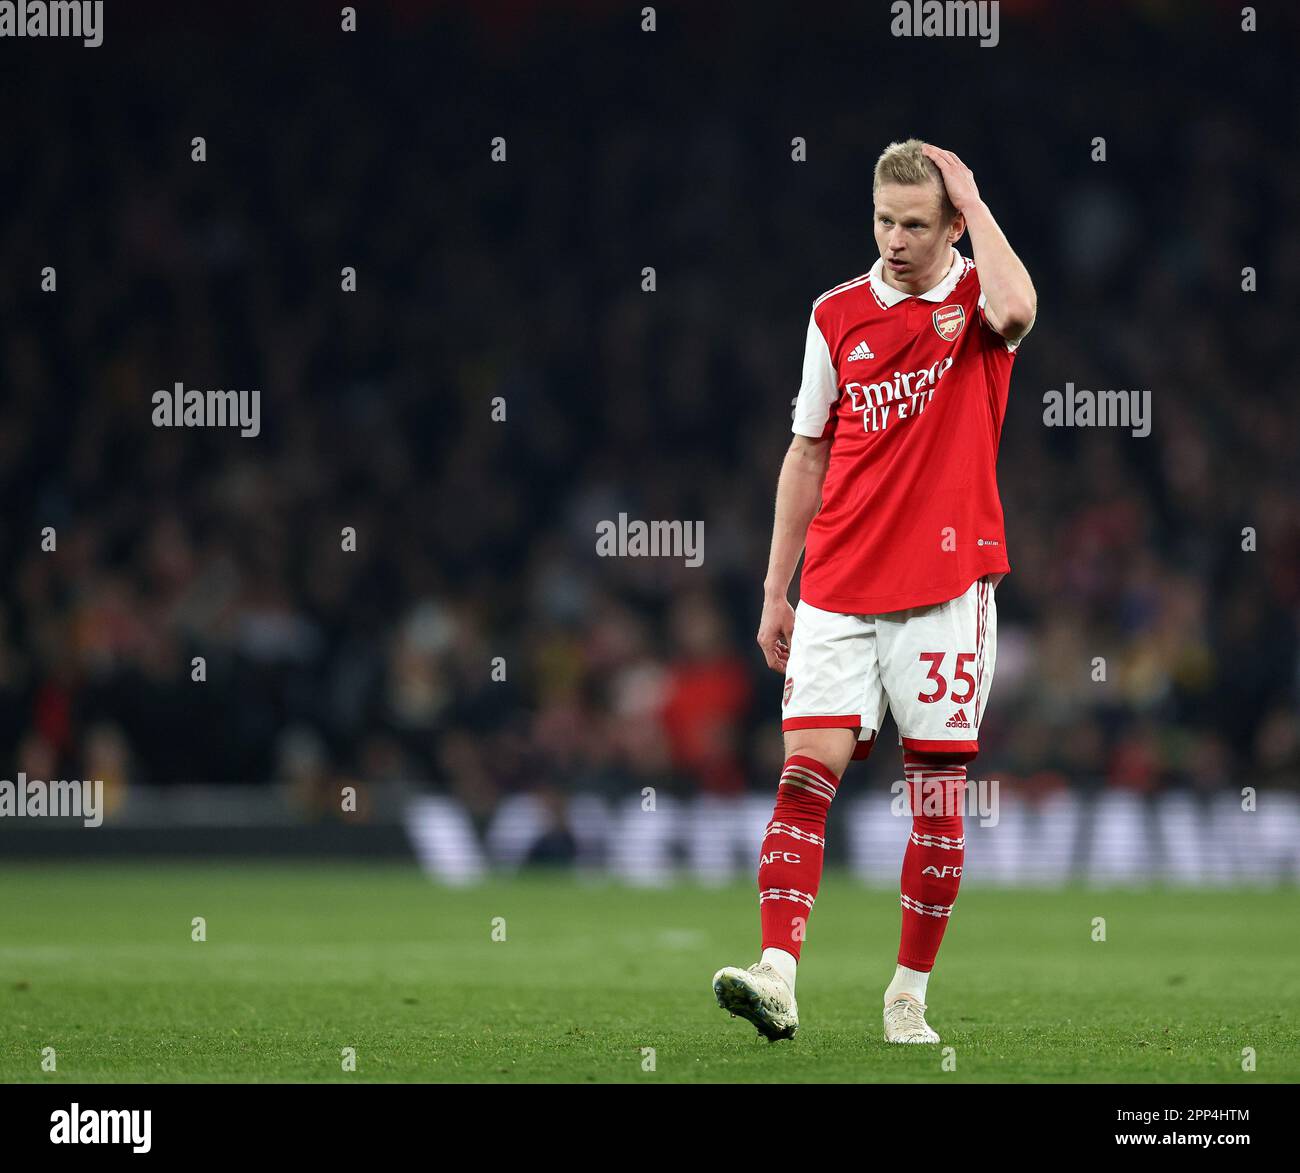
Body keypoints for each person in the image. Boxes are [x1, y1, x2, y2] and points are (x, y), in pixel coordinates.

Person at [712, 140, 1036, 1044]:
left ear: (953, 223)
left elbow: (1021, 308)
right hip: (840, 583)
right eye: (885, 220)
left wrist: (974, 191)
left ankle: (906, 996)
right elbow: (808, 448)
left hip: (943, 585)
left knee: (934, 796)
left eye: (917, 223)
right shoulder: (835, 313)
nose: (895, 240)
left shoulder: (978, 300)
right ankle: (777, 971)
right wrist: (779, 587)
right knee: (802, 775)